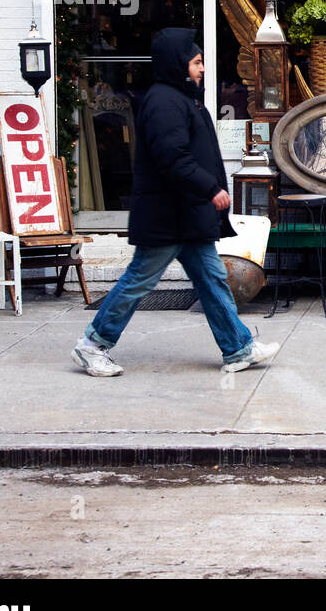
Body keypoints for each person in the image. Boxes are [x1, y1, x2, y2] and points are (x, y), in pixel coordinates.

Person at [71, 28, 280, 377]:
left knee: (213, 279)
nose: (201, 69)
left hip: (186, 215)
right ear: (178, 64)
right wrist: (210, 189)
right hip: (167, 216)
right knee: (139, 280)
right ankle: (92, 344)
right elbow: (172, 157)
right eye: (196, 62)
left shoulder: (181, 98)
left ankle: (238, 349)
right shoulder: (164, 102)